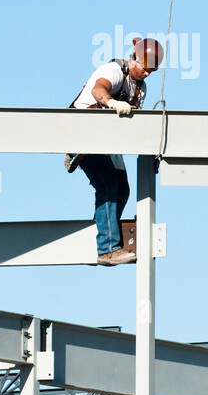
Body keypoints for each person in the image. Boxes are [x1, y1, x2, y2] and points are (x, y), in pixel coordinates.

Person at [66, 37, 164, 265]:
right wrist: (111, 103)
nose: (148, 74)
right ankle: (107, 248)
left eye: (152, 70)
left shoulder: (140, 88)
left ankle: (97, 235)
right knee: (108, 183)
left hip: (106, 138)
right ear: (134, 60)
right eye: (145, 68)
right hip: (83, 132)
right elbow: (99, 89)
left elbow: (134, 128)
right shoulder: (114, 71)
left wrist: (152, 151)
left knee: (122, 189)